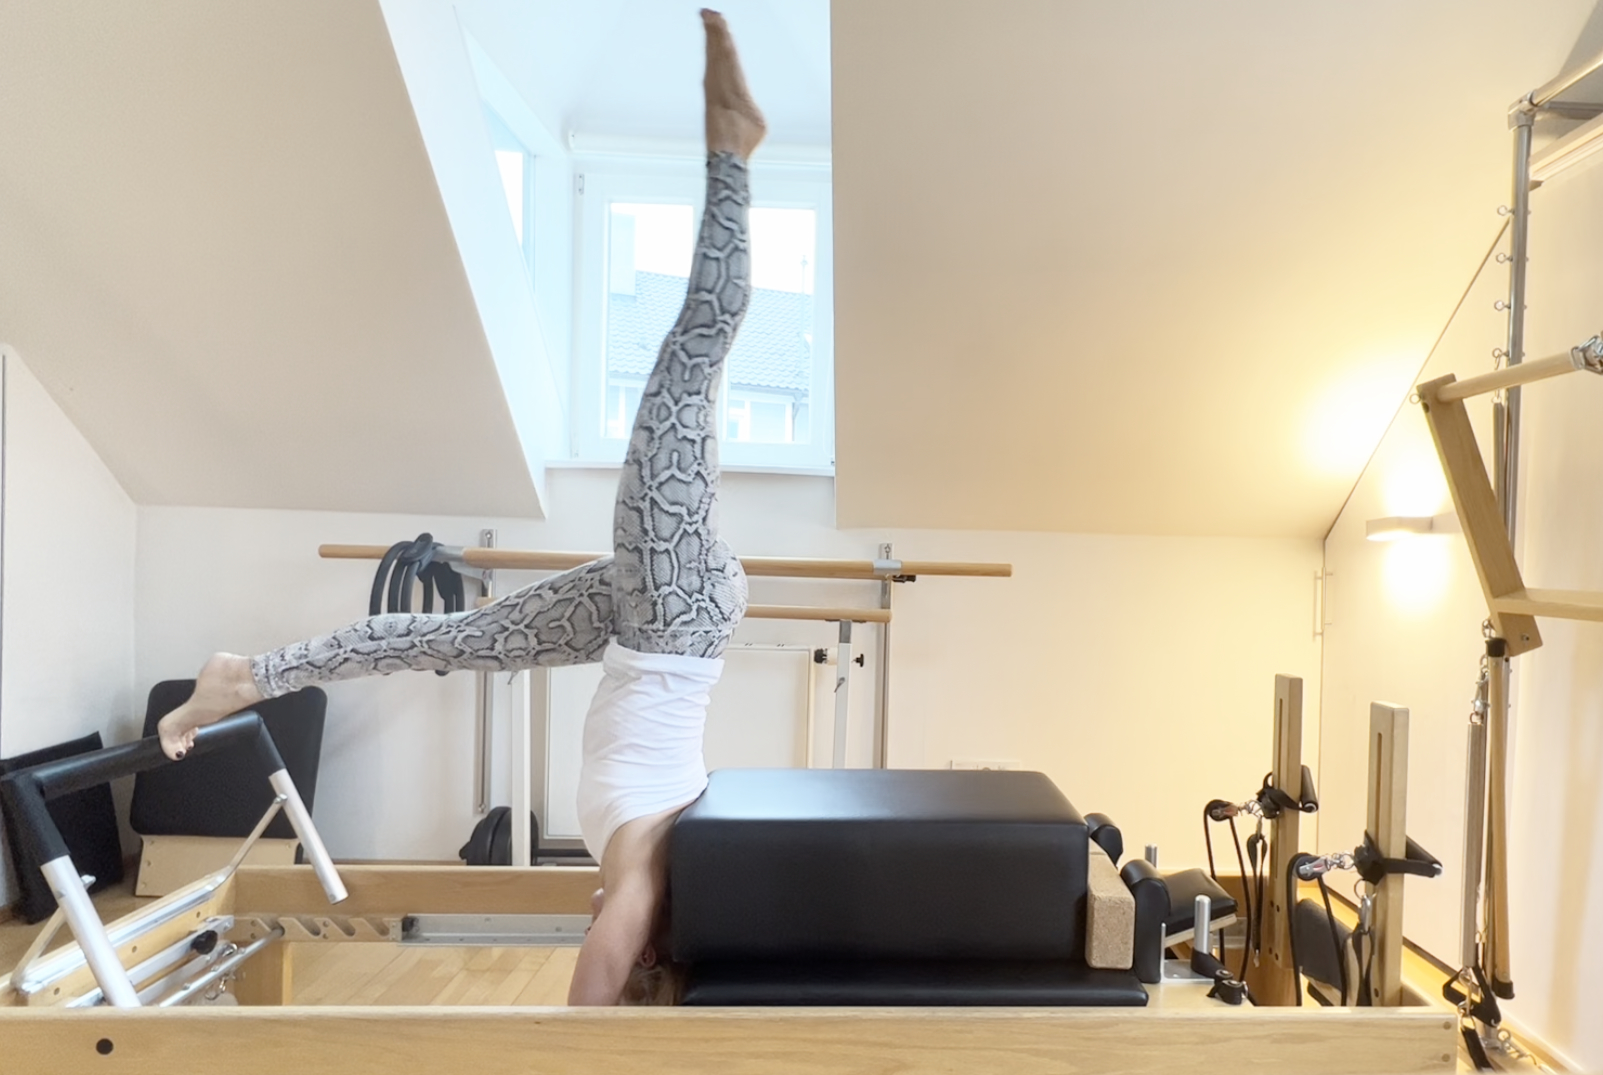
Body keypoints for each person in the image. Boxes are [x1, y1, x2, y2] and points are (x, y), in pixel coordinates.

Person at [155, 8, 767, 1007]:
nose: (634, 952)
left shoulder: (639, 876)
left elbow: (619, 952)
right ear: (665, 952)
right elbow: (605, 966)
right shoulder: (651, 884)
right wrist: (583, 1040)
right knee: (690, 360)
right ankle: (732, 153)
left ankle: (247, 674)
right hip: (675, 616)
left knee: (452, 639)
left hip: (644, 624)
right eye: (655, 968)